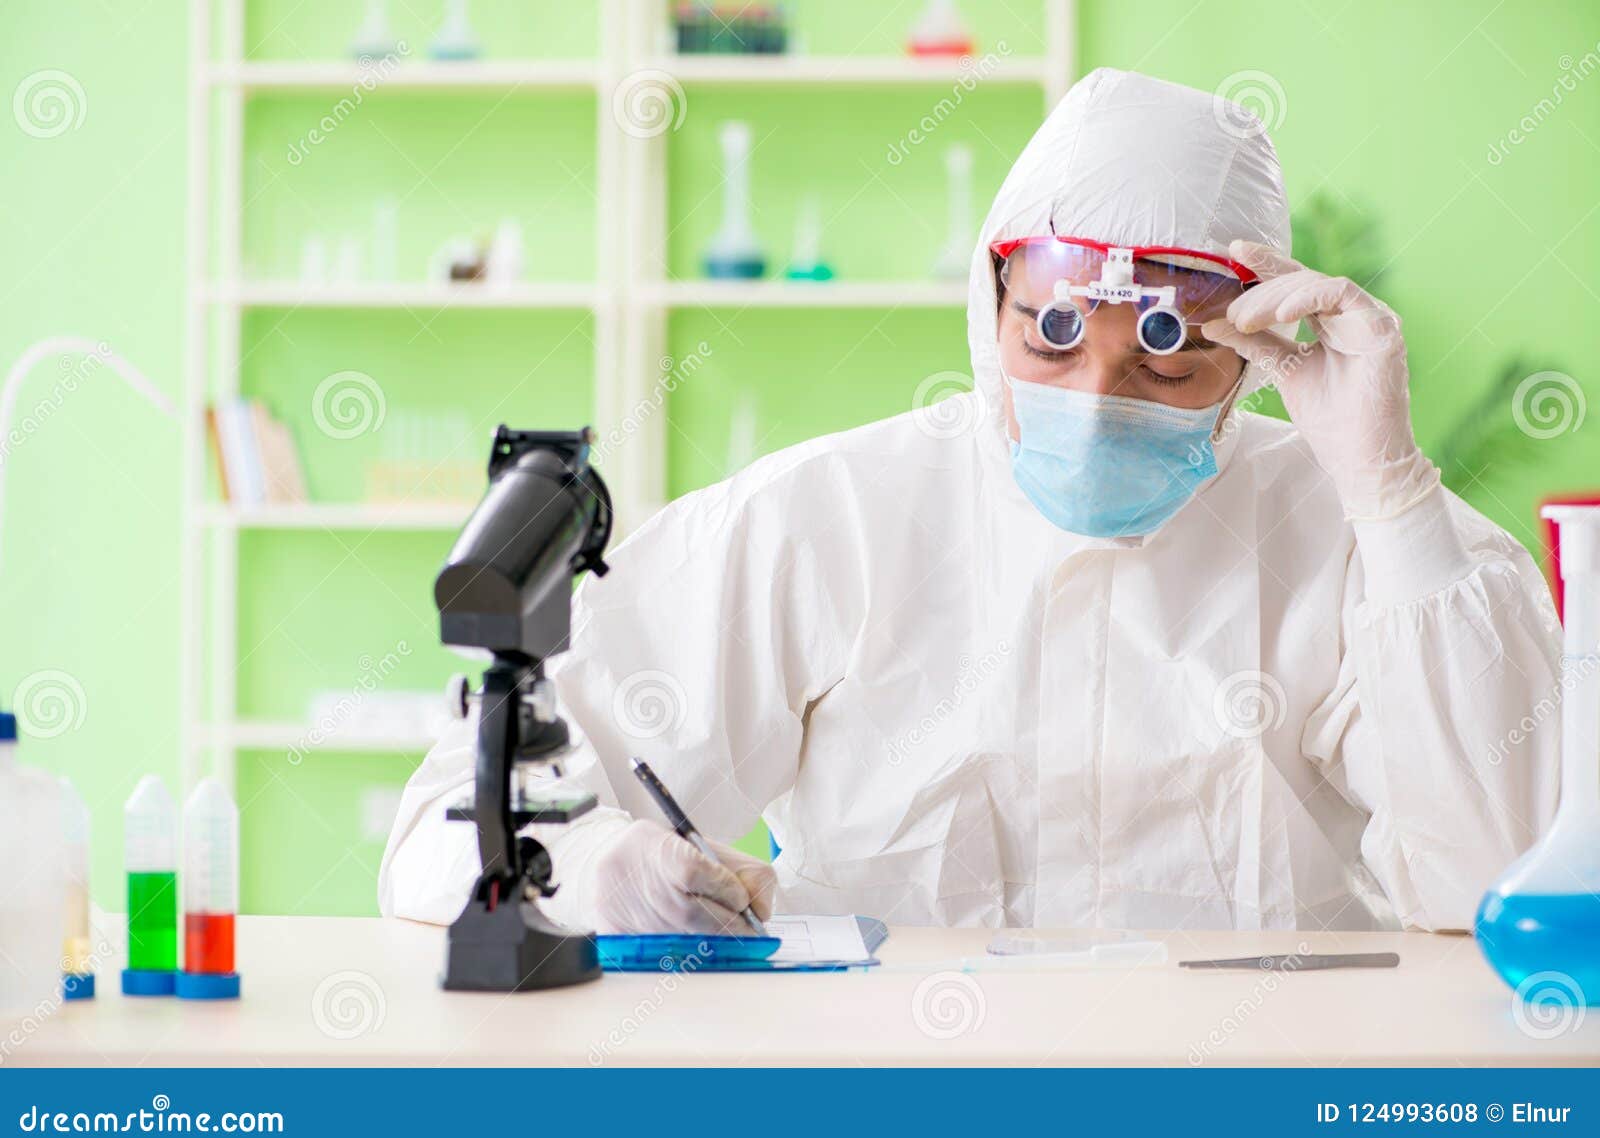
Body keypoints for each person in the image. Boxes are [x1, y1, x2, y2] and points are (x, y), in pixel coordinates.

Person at [380, 68, 1561, 935]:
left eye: (1165, 355)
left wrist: (1393, 498)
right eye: (1053, 337)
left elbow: (1499, 882)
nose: (1098, 399)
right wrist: (586, 874)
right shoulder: (828, 518)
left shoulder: (1355, 532)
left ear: (1252, 355)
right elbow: (442, 829)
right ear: (987, 310)